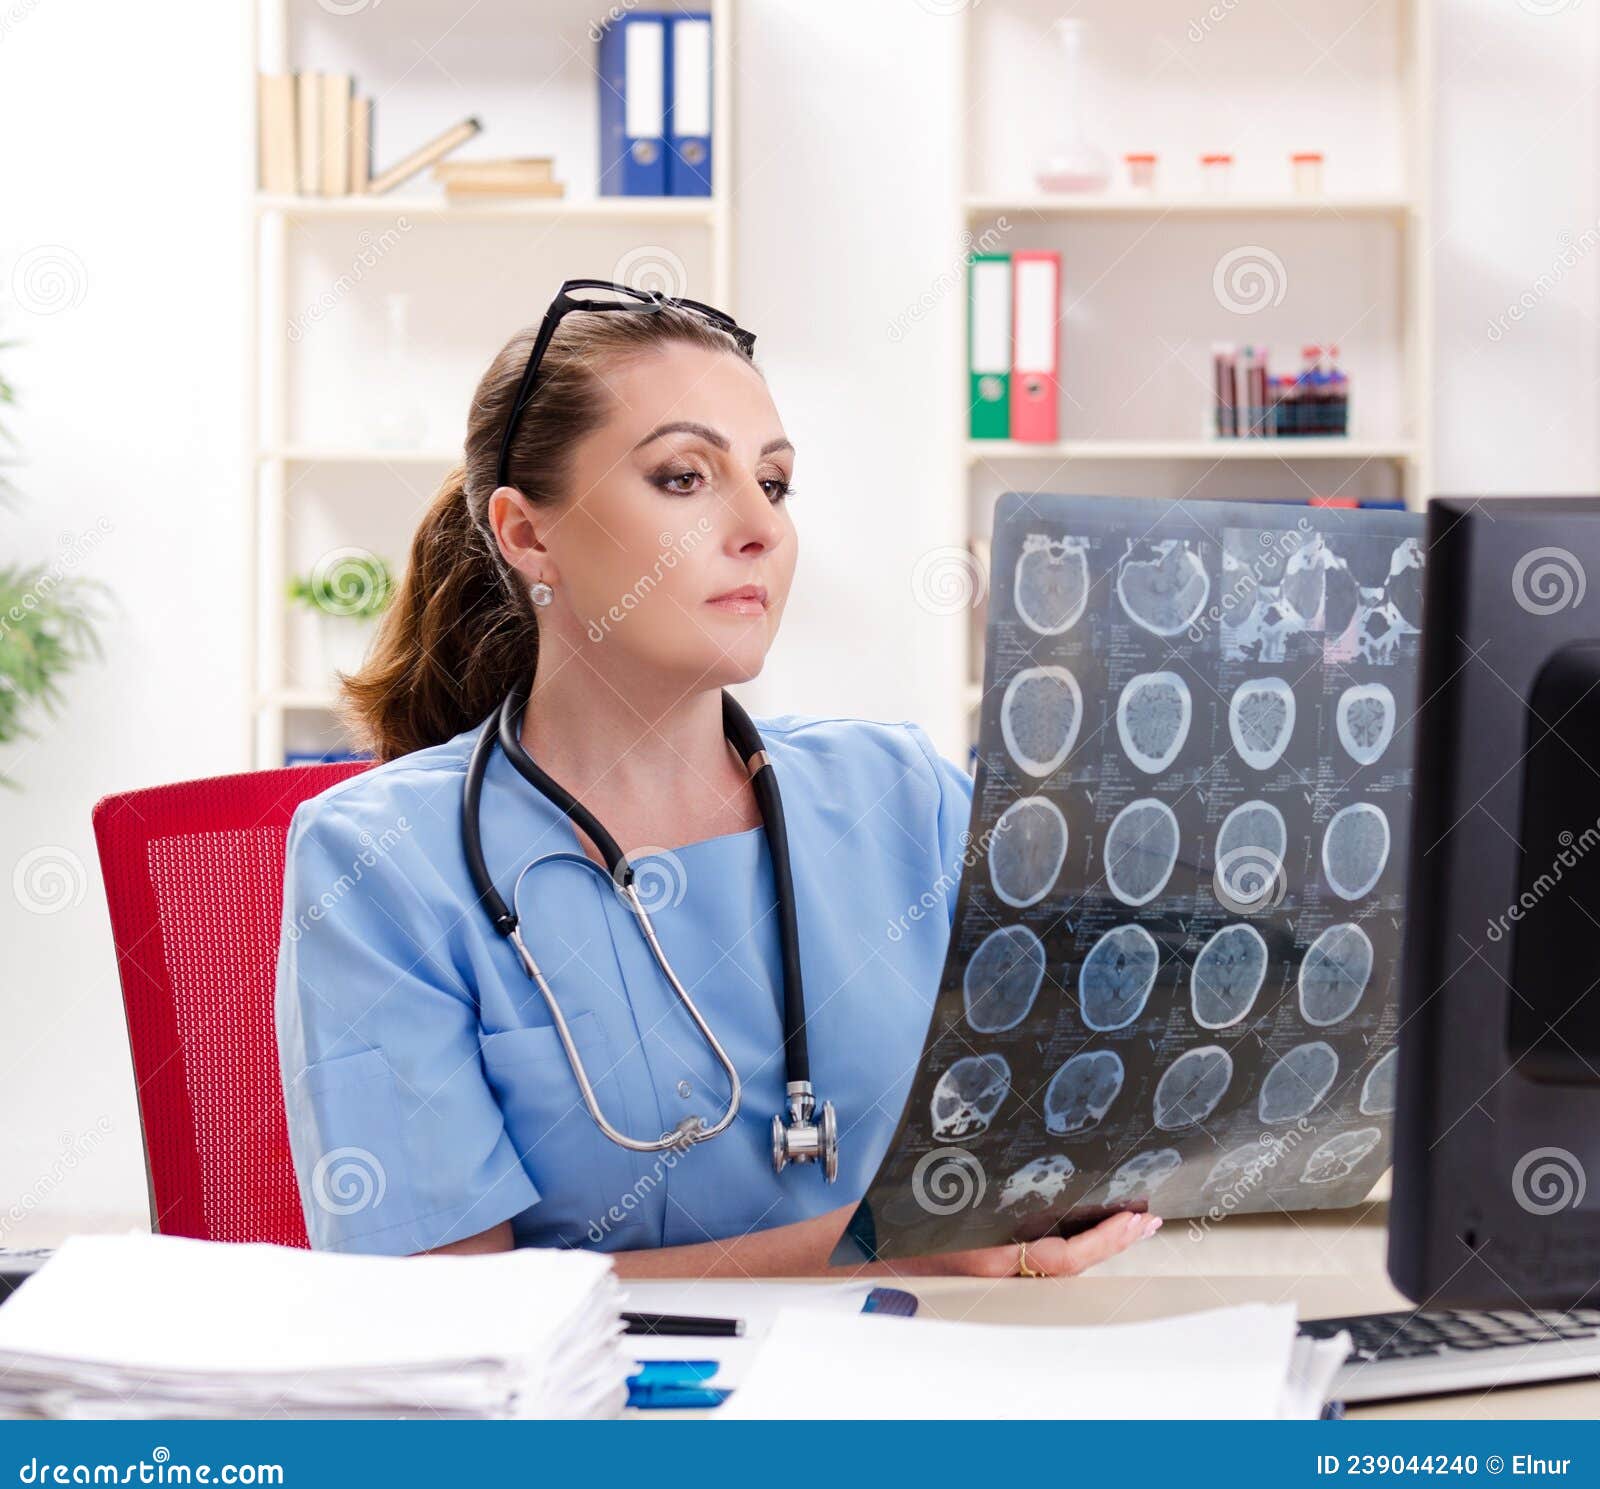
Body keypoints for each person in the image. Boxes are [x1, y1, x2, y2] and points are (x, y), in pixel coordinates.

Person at [274, 281, 1160, 1280]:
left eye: (774, 484)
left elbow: (1074, 1105)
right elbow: (443, 1311)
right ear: (527, 534)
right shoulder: (381, 859)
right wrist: (879, 1240)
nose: (760, 528)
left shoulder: (903, 793)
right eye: (683, 478)